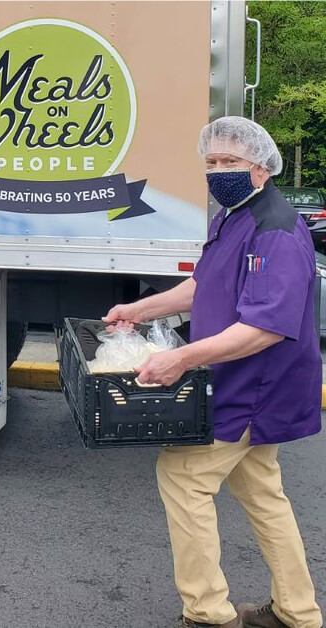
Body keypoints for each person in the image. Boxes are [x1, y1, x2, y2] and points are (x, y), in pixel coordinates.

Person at [103, 116, 321, 628]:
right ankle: (298, 612)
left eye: (231, 163)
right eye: (212, 163)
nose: (219, 171)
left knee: (182, 477)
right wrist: (140, 310)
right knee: (263, 492)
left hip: (253, 388)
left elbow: (265, 329)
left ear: (261, 169)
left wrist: (180, 357)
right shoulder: (233, 216)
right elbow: (203, 286)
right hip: (244, 383)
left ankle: (207, 613)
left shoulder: (278, 231)